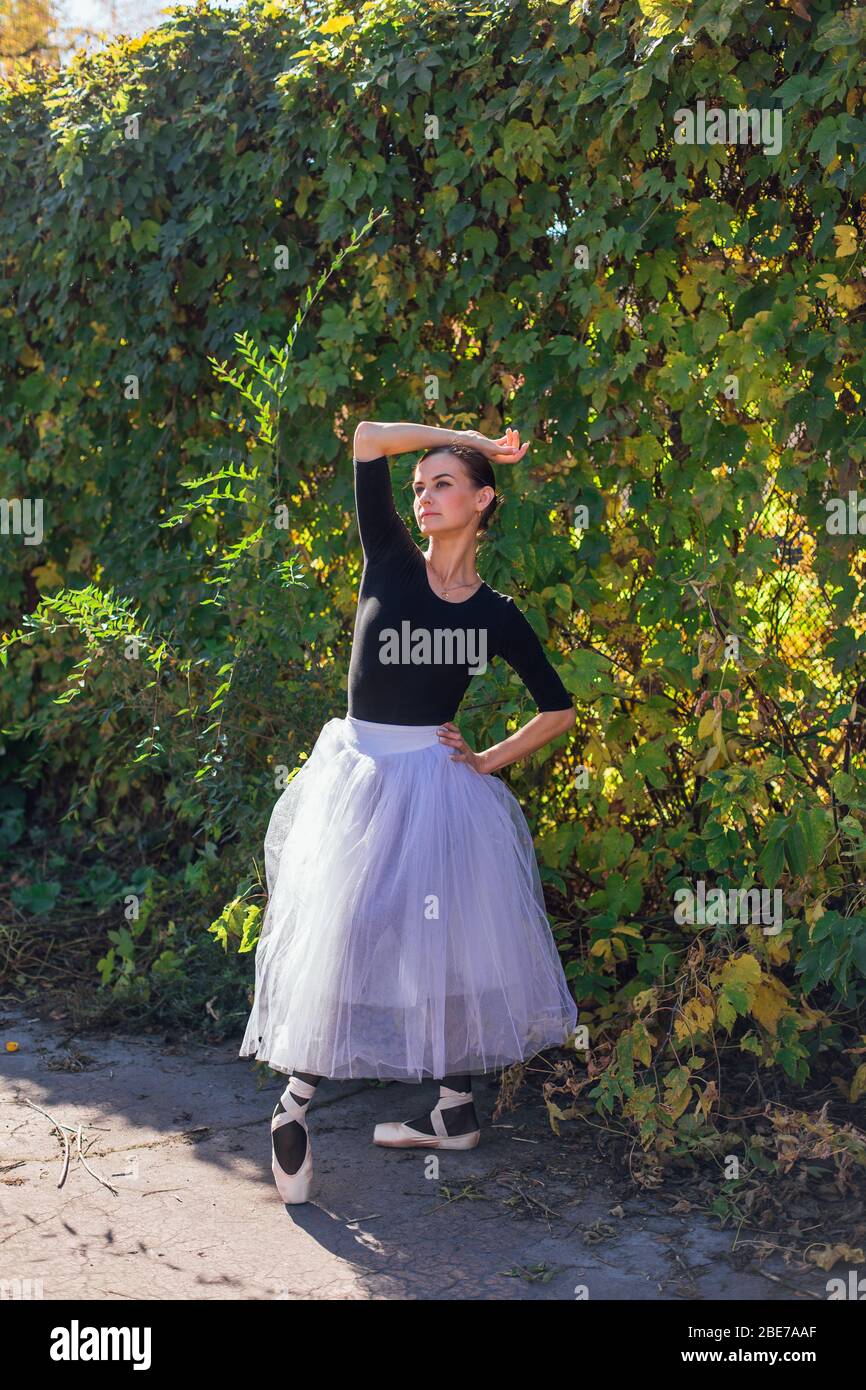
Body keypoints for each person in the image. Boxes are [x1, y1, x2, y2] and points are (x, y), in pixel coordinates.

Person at [238, 421, 579, 1203]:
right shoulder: (389, 559)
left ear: (482, 502)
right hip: (357, 775)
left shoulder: (495, 612)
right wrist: (472, 438)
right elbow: (366, 437)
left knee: (446, 943)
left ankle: (454, 1114)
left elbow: (556, 709)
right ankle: (293, 1108)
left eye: (444, 484)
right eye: (419, 485)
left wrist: (488, 760)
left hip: (435, 783)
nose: (424, 495)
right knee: (347, 932)